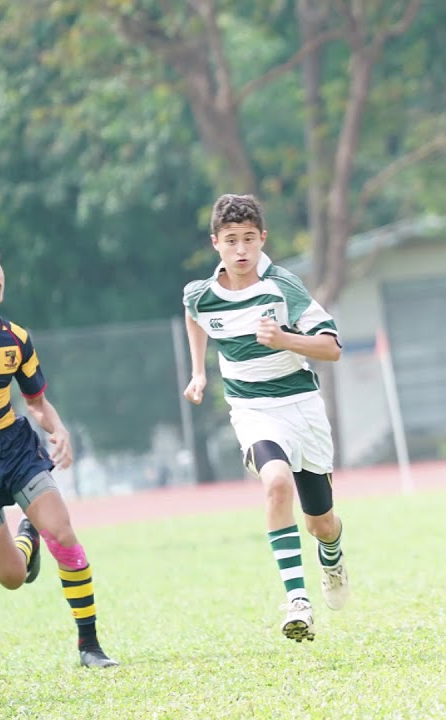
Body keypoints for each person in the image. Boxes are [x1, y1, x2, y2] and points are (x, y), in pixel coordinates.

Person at [182, 194, 348, 643]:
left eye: (249, 239)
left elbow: (332, 348)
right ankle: (297, 601)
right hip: (251, 411)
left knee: (321, 523)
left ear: (262, 240)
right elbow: (195, 315)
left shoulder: (283, 286)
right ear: (215, 242)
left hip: (302, 409)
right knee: (276, 482)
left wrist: (286, 340)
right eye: (231, 240)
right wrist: (199, 372)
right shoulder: (201, 293)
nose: (241, 249)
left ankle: (331, 554)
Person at [0, 234, 119, 668]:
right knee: (11, 577)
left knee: (63, 534)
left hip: (15, 446)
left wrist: (58, 429)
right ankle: (27, 541)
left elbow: (37, 402)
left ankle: (89, 647)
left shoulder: (17, 340)